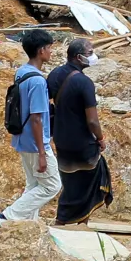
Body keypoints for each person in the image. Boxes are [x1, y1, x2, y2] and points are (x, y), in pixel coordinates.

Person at [0, 28, 59, 228]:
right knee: (52, 186)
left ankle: (29, 225)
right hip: (35, 142)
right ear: (41, 50)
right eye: (49, 48)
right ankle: (6, 217)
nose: (51, 52)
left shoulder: (22, 72)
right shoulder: (38, 81)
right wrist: (42, 151)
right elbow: (37, 118)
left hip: (22, 138)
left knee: (33, 185)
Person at [47, 38, 110, 226]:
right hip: (82, 142)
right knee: (93, 180)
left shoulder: (54, 74)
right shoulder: (84, 83)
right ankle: (80, 223)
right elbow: (92, 120)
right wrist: (100, 138)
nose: (93, 56)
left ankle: (63, 219)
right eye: (90, 53)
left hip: (61, 139)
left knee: (71, 182)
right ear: (78, 57)